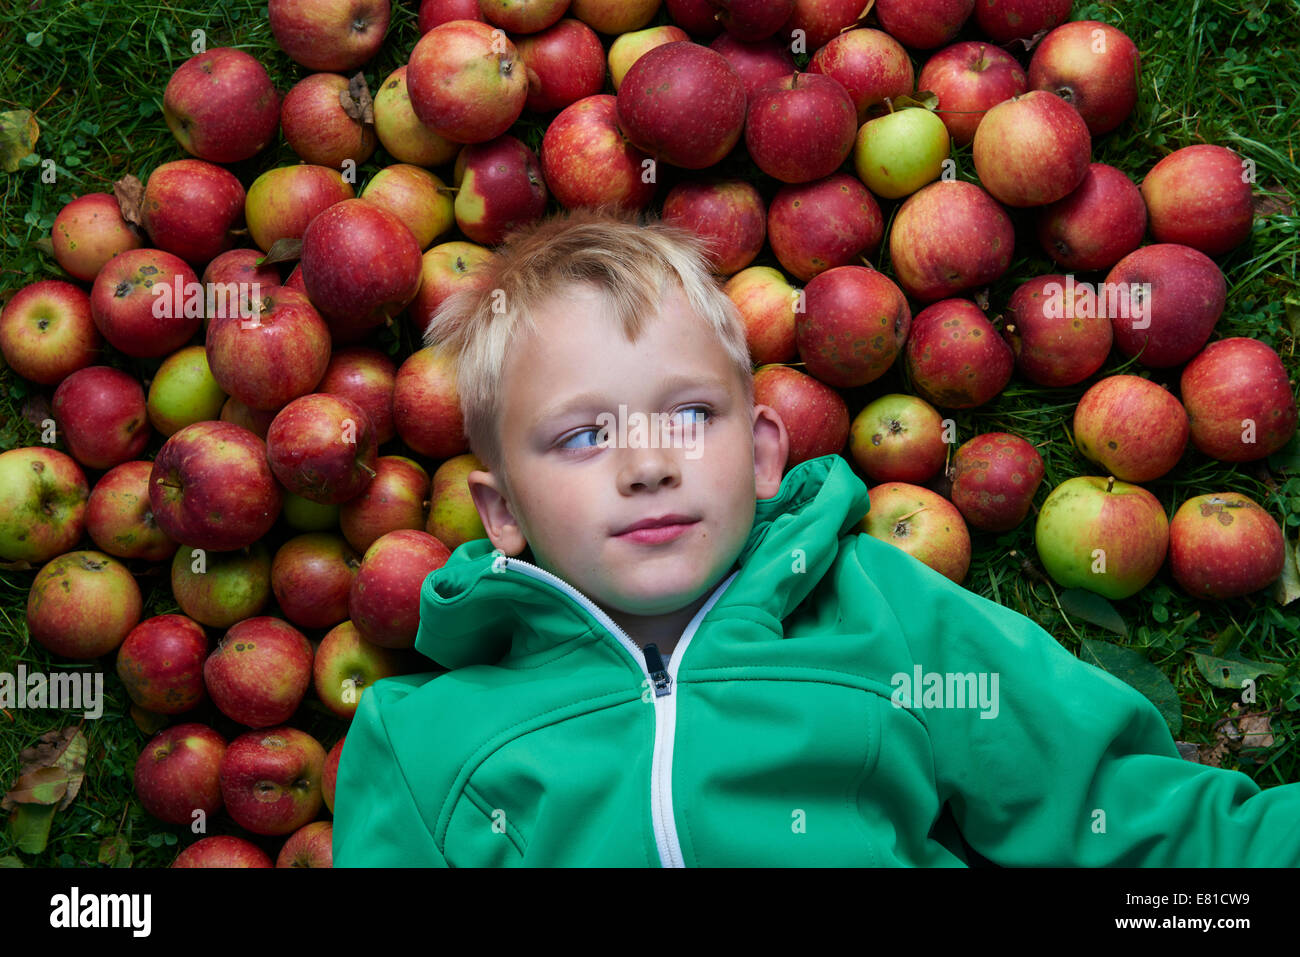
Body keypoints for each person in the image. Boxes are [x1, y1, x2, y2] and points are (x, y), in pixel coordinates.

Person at [332, 206, 1300, 867]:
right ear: (502, 516)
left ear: (761, 455)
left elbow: (1111, 814)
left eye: (687, 417)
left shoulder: (880, 616)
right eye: (585, 435)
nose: (646, 465)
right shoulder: (423, 742)